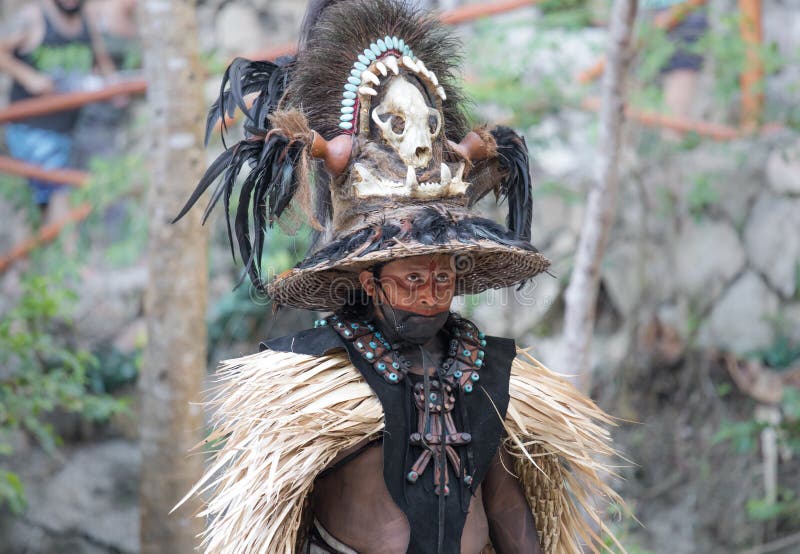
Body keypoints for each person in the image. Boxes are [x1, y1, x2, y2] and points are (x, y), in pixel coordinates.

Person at [175, 1, 624, 552]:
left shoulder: (489, 373)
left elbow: (506, 507)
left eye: (443, 280)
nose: (432, 297)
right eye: (413, 280)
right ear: (369, 280)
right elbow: (281, 521)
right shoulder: (312, 385)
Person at [0, 0, 115, 223]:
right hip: (32, 129)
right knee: (58, 187)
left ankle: (54, 248)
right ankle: (68, 253)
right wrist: (28, 77)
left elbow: (102, 64)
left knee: (71, 188)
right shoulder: (33, 17)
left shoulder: (86, 20)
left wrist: (112, 85)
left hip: (71, 130)